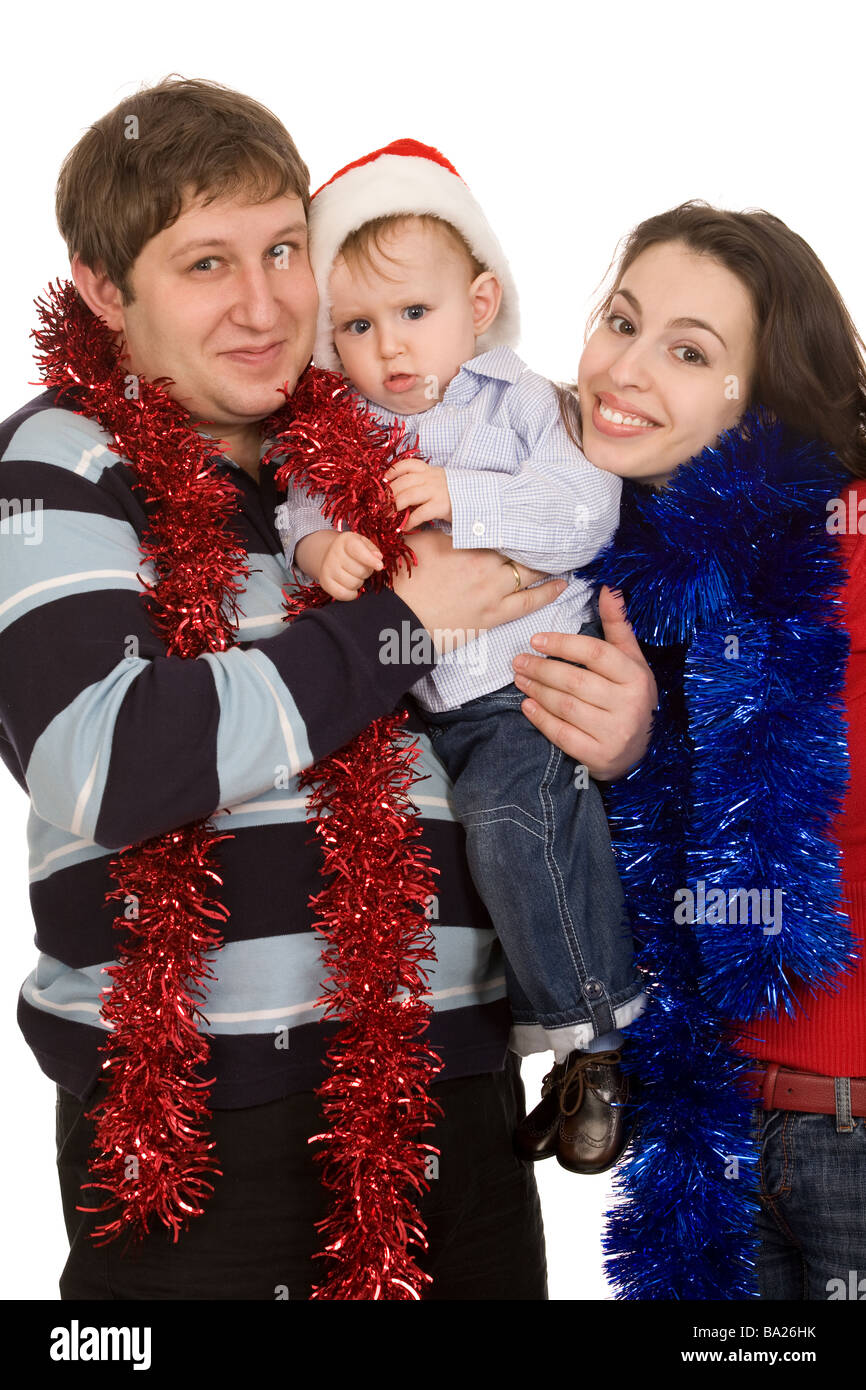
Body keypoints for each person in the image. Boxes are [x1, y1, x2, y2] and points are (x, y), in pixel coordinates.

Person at [0, 77, 655, 1301]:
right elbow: (102, 760)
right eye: (206, 264)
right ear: (102, 288)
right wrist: (400, 626)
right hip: (193, 1131)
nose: (264, 306)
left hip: (457, 1100)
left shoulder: (402, 432)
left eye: (281, 251)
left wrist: (610, 731)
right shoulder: (62, 463)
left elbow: (501, 721)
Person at [514, 202, 866, 1300]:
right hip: (705, 1132)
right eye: (621, 323)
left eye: (689, 352)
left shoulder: (840, 545)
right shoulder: (595, 564)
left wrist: (659, 742)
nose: (624, 370)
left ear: (758, 398)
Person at [274, 138, 646, 1175]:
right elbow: (299, 505)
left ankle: (597, 1043)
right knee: (455, 875)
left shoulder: (518, 399)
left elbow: (584, 511)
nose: (388, 347)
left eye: (413, 312)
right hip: (423, 701)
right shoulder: (342, 426)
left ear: (479, 303)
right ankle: (546, 1050)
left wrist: (461, 498)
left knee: (515, 828)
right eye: (356, 326)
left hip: (530, 684)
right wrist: (320, 549)